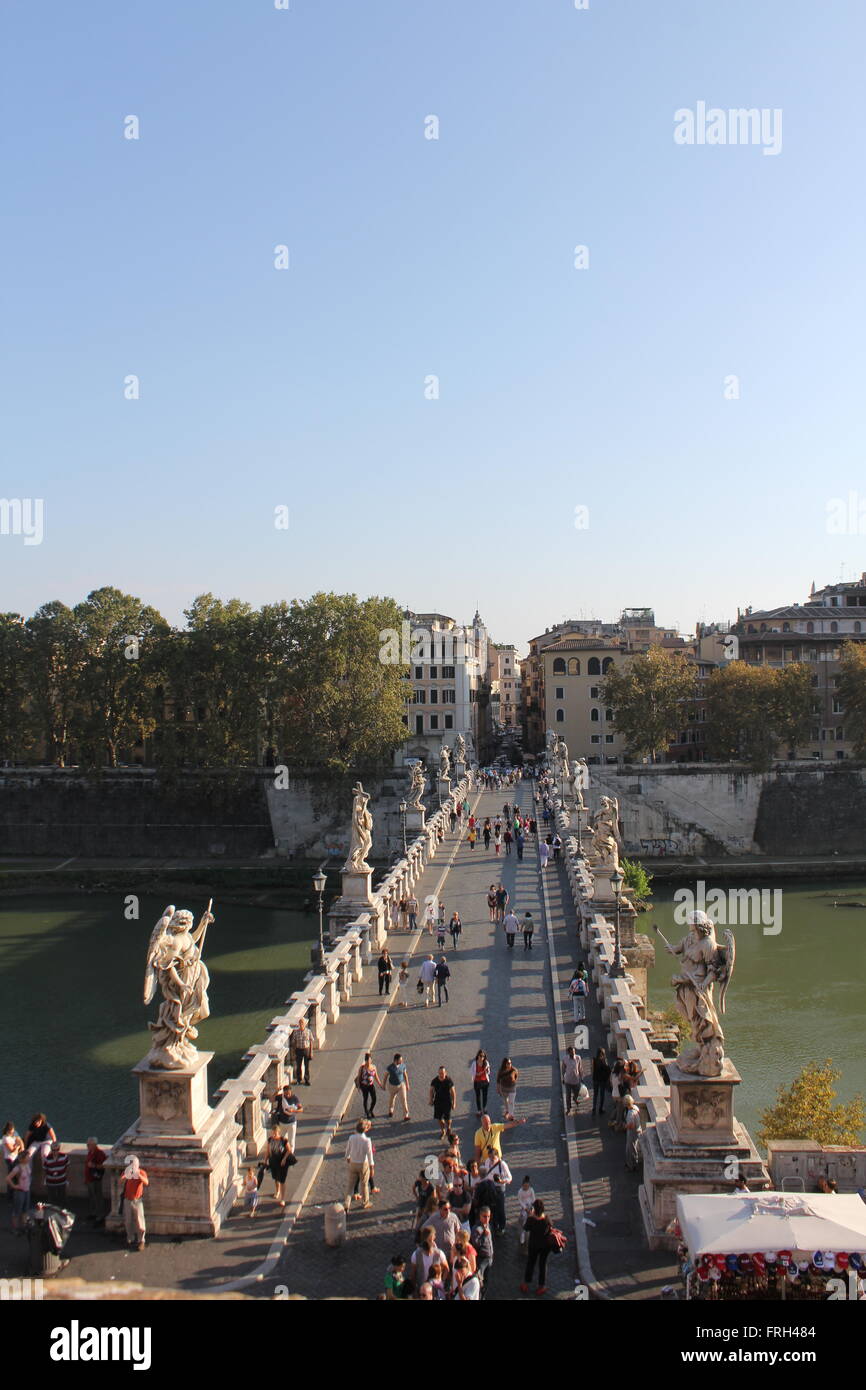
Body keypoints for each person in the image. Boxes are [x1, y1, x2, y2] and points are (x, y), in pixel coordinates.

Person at [521, 1198, 552, 1295]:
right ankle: (541, 1286)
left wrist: (530, 1215)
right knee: (543, 1265)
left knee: (530, 1263)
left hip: (533, 1245)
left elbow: (525, 1228)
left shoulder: (531, 1219)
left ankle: (526, 1283)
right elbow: (550, 1228)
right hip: (545, 1246)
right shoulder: (546, 1219)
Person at [344, 1119, 374, 1210]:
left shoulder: (351, 1138)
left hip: (353, 1163)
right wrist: (371, 1166)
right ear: (365, 1130)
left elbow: (347, 1150)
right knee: (364, 1184)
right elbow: (369, 1155)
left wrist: (348, 1158)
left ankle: (346, 1204)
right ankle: (365, 1202)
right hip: (363, 1163)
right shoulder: (367, 1140)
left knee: (350, 1185)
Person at [121, 1155, 149, 1251]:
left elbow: (146, 1183)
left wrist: (139, 1175)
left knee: (140, 1222)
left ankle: (141, 1241)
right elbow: (121, 1180)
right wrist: (127, 1175)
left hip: (137, 1201)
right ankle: (130, 1238)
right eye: (131, 1165)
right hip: (127, 1200)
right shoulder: (127, 1172)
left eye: (134, 1165)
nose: (133, 1167)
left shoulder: (142, 1172)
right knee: (128, 1221)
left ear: (138, 1165)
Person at [429, 1199, 462, 1265]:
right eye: (445, 1209)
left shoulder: (453, 1217)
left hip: (451, 1250)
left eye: (449, 1208)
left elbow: (458, 1231)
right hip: (439, 1251)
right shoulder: (433, 1218)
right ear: (439, 1209)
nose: (448, 1211)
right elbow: (424, 1229)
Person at [266, 1126, 294, 1207]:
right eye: (273, 1133)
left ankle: (283, 1199)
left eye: (275, 1133)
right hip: (273, 1161)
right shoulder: (270, 1140)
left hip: (282, 1162)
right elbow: (268, 1151)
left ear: (278, 1132)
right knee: (275, 1178)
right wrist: (265, 1161)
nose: (274, 1134)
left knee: (282, 1180)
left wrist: (284, 1159)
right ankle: (277, 1191)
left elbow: (289, 1150)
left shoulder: (283, 1140)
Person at [272, 1083, 303, 1151]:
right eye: (286, 1094)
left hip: (292, 1123)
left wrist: (293, 1110)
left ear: (291, 1091)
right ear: (283, 1092)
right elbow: (272, 1099)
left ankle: (290, 1156)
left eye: (289, 1093)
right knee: (282, 1141)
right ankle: (282, 1155)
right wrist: (276, 1091)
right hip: (282, 1122)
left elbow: (301, 1109)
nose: (288, 1095)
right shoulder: (280, 1097)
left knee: (291, 1141)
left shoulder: (295, 1098)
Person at [7, 1148, 33, 1232]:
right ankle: (15, 1228)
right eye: (27, 1157)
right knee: (17, 1210)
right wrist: (14, 1186)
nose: (29, 1158)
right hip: (20, 1192)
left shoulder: (27, 1166)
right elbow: (8, 1178)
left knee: (25, 1210)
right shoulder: (17, 1168)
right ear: (23, 1158)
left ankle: (24, 1227)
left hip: (27, 1191)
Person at [470, 1206, 494, 1290]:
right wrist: (484, 1236)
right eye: (484, 1216)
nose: (487, 1218)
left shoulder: (488, 1225)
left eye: (488, 1216)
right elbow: (476, 1244)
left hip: (489, 1257)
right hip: (481, 1258)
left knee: (487, 1280)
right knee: (479, 1280)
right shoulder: (476, 1229)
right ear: (480, 1216)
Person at [84, 1137, 107, 1223]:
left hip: (95, 1179)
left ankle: (100, 1215)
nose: (87, 1146)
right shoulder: (90, 1152)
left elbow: (104, 1165)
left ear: (93, 1145)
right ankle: (94, 1213)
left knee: (98, 1196)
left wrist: (94, 1166)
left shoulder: (100, 1154)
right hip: (89, 1178)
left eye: (88, 1144)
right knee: (92, 1197)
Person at [429, 1066, 456, 1137]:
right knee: (439, 1118)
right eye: (440, 1073)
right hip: (438, 1102)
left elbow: (453, 1092)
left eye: (443, 1073)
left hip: (447, 1102)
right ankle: (443, 1131)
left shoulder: (449, 1080)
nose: (441, 1074)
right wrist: (431, 1099)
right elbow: (431, 1090)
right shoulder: (435, 1081)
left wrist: (454, 1103)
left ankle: (449, 1128)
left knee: (448, 1119)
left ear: (445, 1073)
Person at [43, 1141, 69, 1206]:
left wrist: (67, 1179)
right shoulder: (47, 1159)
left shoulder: (64, 1157)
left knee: (62, 1199)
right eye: (53, 1150)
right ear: (51, 1150)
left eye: (57, 1150)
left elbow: (68, 1168)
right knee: (51, 1200)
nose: (55, 1152)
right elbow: (45, 1169)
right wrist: (45, 1180)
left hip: (62, 1181)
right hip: (50, 1182)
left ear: (59, 1149)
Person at [356, 1053, 381, 1119]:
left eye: (369, 1060)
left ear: (371, 1060)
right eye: (367, 1061)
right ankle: (367, 1113)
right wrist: (358, 1086)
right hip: (364, 1086)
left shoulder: (374, 1067)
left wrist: (380, 1084)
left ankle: (370, 1110)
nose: (368, 1062)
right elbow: (358, 1078)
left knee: (374, 1099)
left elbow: (376, 1076)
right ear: (365, 1061)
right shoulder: (362, 1068)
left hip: (371, 1085)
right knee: (365, 1099)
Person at [385, 1054, 411, 1120]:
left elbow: (405, 1075)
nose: (402, 1061)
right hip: (392, 1086)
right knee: (392, 1098)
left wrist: (407, 1084)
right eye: (400, 1060)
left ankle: (406, 1115)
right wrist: (383, 1084)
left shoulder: (403, 1066)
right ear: (396, 1060)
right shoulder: (390, 1067)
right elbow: (385, 1076)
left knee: (404, 1099)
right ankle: (391, 1110)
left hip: (401, 1085)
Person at [290, 1018, 314, 1086]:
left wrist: (311, 1052)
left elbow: (311, 1041)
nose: (301, 1025)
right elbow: (293, 1042)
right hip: (298, 1050)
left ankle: (307, 1079)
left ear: (304, 1024)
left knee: (307, 1066)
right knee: (298, 1066)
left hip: (306, 1049)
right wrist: (294, 1051)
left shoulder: (308, 1031)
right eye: (300, 1024)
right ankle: (299, 1079)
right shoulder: (296, 1032)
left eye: (302, 1023)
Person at [624, 1096, 642, 1171]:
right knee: (633, 1148)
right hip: (638, 1130)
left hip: (632, 1133)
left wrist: (625, 1126)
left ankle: (631, 1165)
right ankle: (632, 1163)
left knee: (631, 1149)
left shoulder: (630, 1113)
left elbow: (632, 1125)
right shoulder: (635, 1107)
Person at [470, 1049, 491, 1115]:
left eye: (483, 1056)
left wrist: (487, 1070)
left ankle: (484, 1108)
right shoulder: (474, 1063)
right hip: (477, 1082)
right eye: (480, 1056)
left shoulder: (486, 1063)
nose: (482, 1058)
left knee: (485, 1096)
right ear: (478, 1055)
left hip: (485, 1082)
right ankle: (479, 1110)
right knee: (478, 1096)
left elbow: (488, 1072)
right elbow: (472, 1072)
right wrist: (478, 1073)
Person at [591, 1048, 611, 1117]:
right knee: (602, 1095)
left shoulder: (594, 1059)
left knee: (595, 1095)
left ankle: (594, 1108)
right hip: (602, 1080)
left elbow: (592, 1070)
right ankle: (601, 1108)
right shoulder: (604, 1060)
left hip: (596, 1079)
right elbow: (608, 1069)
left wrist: (593, 1077)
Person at [517, 1175, 536, 1246]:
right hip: (524, 1208)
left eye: (527, 1186)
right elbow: (520, 1201)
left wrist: (532, 1207)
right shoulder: (520, 1191)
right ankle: (522, 1236)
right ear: (522, 1185)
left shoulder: (531, 1190)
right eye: (524, 1186)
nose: (526, 1187)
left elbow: (533, 1198)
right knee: (524, 1221)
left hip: (531, 1206)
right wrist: (525, 1208)